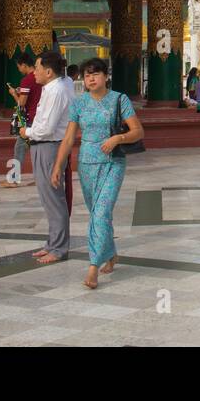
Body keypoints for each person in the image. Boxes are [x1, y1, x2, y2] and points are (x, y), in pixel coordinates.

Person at [52, 57, 144, 289]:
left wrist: (118, 138)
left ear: (106, 76)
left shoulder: (119, 100)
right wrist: (57, 167)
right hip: (87, 164)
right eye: (87, 75)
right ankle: (111, 253)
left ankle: (93, 267)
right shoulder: (78, 103)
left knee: (101, 213)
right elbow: (69, 138)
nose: (91, 79)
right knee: (98, 213)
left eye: (95, 74)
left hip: (113, 162)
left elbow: (138, 132)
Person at [20, 50, 74, 264]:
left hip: (49, 145)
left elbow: (48, 128)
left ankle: (59, 248)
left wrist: (28, 132)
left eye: (38, 67)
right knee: (49, 197)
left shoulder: (56, 90)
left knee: (54, 198)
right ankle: (53, 243)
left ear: (49, 71)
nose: (34, 72)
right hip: (45, 145)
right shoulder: (61, 84)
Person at [4, 52, 41, 188]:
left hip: (31, 119)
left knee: (19, 147)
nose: (19, 70)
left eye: (19, 67)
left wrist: (14, 94)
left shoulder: (27, 80)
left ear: (24, 65)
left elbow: (21, 103)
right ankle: (40, 178)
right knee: (38, 150)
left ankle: (14, 179)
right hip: (41, 118)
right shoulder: (40, 77)